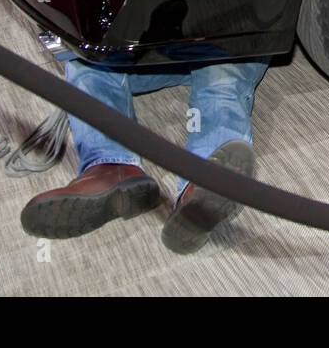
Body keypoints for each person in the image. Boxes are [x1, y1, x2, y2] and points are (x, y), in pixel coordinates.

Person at [20, 56, 269, 253]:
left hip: (229, 38)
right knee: (88, 64)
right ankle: (111, 166)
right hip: (149, 43)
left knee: (221, 83)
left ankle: (204, 185)